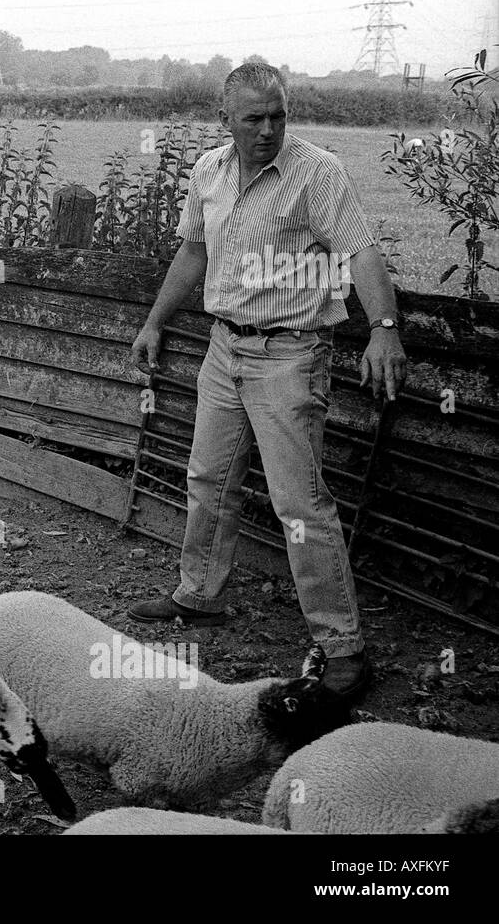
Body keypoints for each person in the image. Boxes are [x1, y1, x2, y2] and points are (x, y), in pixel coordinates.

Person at [126, 62, 408, 700]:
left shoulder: (316, 173)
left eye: (278, 115)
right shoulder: (209, 172)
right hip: (224, 348)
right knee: (208, 478)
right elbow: (193, 252)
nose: (268, 130)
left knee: (299, 504)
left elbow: (360, 251)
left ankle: (343, 647)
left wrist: (384, 329)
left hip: (290, 355)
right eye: (253, 118)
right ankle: (199, 596)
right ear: (224, 119)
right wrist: (153, 322)